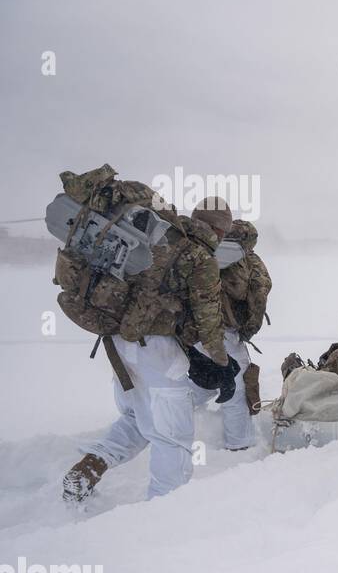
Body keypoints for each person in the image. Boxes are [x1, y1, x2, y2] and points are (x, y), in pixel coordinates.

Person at [63, 190, 233, 502]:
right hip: (155, 351)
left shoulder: (158, 236)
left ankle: (87, 469)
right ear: (220, 230)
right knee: (173, 438)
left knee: (138, 419)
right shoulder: (200, 256)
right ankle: (165, 516)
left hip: (118, 344)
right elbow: (209, 321)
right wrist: (223, 366)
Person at [187, 197, 271, 451]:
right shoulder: (240, 257)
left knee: (197, 379)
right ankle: (240, 445)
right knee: (236, 384)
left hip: (184, 330)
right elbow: (258, 295)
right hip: (220, 331)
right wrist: (247, 330)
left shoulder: (183, 244)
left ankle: (167, 420)